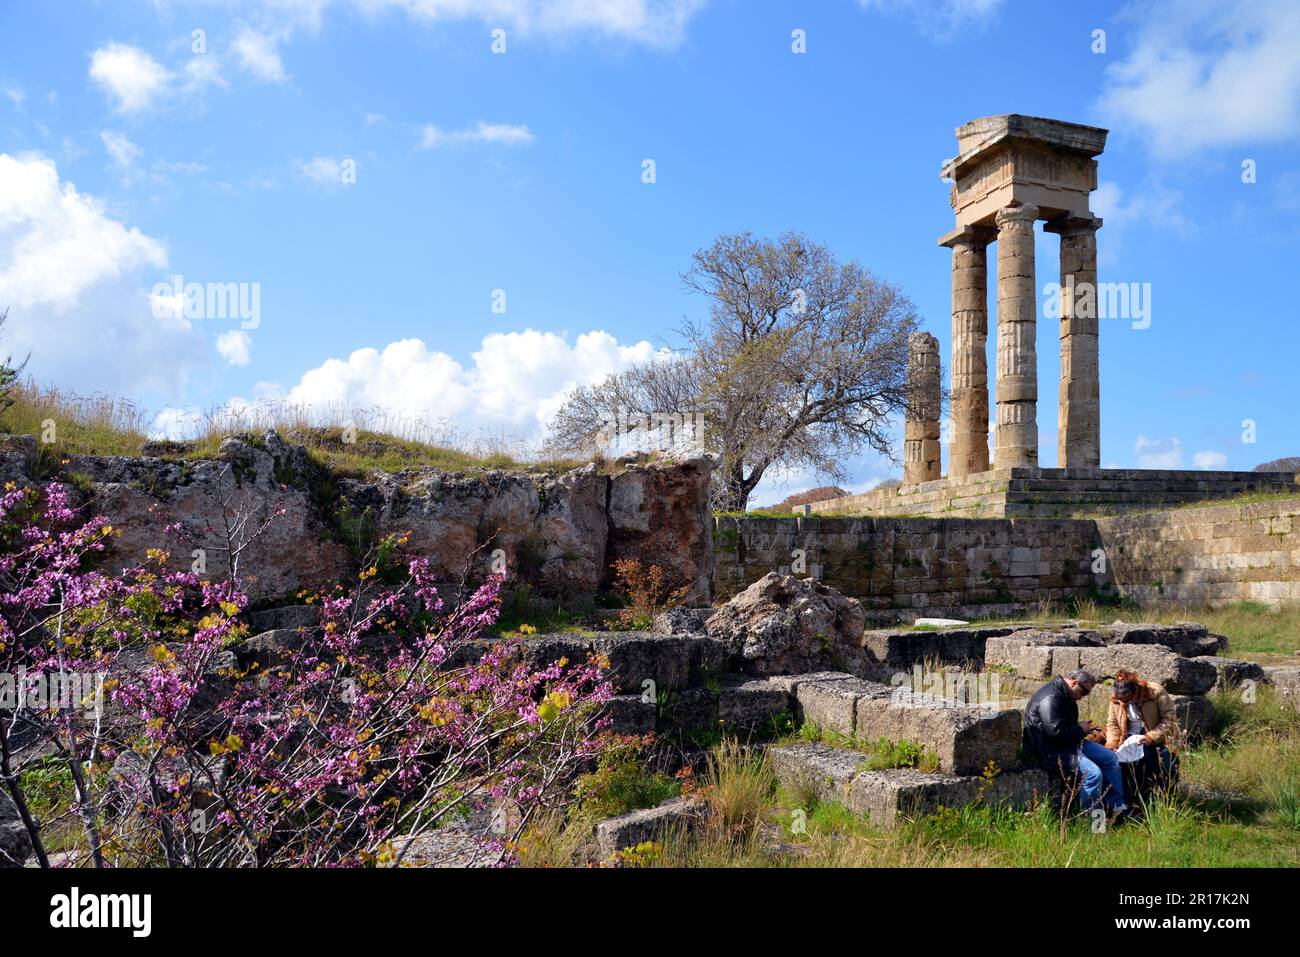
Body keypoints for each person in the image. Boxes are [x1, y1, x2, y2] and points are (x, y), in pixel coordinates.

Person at [1023, 669, 1129, 817]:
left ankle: (1116, 808)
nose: (1082, 697)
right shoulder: (1051, 697)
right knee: (1093, 774)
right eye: (1084, 692)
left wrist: (1081, 728)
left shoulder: (1067, 695)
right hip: (1050, 749)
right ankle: (1093, 823)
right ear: (1073, 682)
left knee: (1110, 758)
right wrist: (1080, 729)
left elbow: (1062, 725)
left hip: (1069, 743)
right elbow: (1054, 732)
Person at [1105, 669, 1180, 807]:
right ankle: (1128, 802)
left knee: (1161, 765)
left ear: (1135, 690)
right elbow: (1113, 724)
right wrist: (1111, 743)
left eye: (1127, 699)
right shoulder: (1117, 698)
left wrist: (1151, 736)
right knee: (1116, 764)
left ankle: (1156, 801)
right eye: (1121, 700)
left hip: (1156, 739)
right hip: (1128, 740)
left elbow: (1169, 718)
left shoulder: (1154, 691)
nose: (1124, 702)